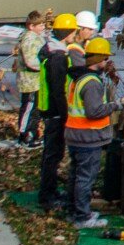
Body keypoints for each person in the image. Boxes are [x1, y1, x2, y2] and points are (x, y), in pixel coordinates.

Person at [64, 37, 116, 228]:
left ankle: (73, 211)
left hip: (75, 135)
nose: (106, 63)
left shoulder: (78, 78)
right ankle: (82, 216)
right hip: (88, 137)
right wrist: (114, 106)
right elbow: (94, 112)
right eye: (105, 59)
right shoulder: (92, 83)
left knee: (76, 175)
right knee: (85, 178)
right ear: (99, 59)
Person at [36, 14, 77, 213]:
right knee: (53, 155)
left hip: (48, 109)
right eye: (74, 31)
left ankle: (49, 191)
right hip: (55, 112)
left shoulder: (49, 50)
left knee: (50, 154)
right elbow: (58, 89)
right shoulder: (59, 57)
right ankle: (47, 195)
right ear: (68, 33)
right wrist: (65, 115)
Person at [10, 12, 47, 147]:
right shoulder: (29, 40)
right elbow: (30, 61)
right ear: (31, 26)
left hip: (36, 81)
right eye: (40, 24)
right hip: (29, 81)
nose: (43, 27)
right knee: (29, 108)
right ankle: (25, 136)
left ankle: (33, 133)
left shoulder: (36, 37)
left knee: (36, 110)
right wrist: (45, 66)